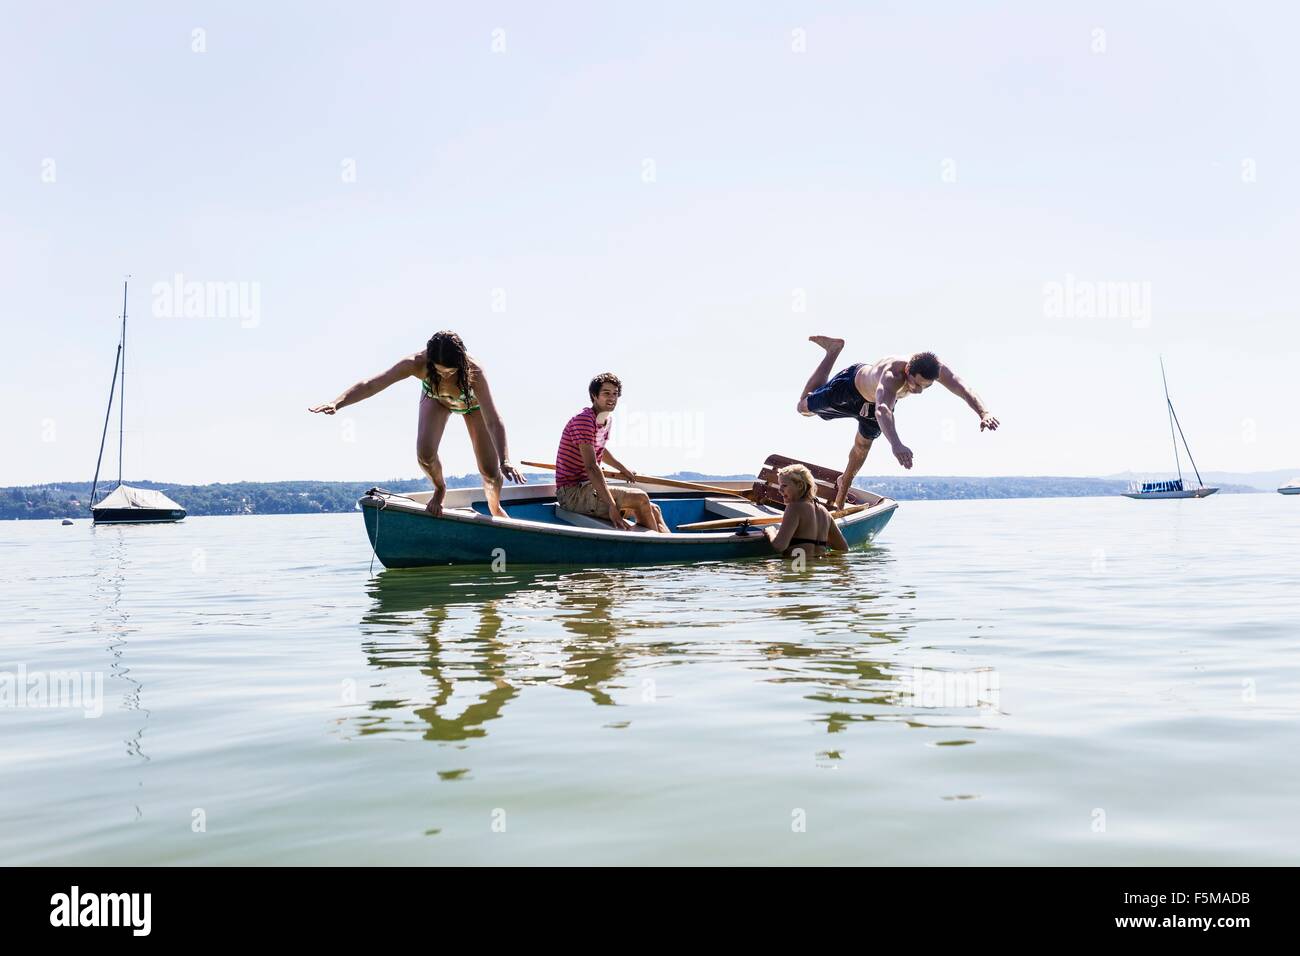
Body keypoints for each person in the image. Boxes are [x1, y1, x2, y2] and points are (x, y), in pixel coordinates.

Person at [308, 330, 524, 517]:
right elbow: (372, 384)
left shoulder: (474, 371)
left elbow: (493, 420)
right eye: (439, 370)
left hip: (472, 407)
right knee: (425, 455)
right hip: (436, 400)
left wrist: (505, 459)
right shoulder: (416, 363)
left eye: (450, 372)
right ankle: (440, 489)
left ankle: (495, 508)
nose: (444, 375)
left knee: (489, 471)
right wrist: (337, 402)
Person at [796, 335, 999, 507]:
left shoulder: (937, 370)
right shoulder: (892, 374)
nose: (918, 391)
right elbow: (883, 409)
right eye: (916, 384)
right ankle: (833, 351)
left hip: (873, 405)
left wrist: (984, 413)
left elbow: (964, 389)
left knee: (862, 446)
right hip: (850, 389)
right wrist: (896, 444)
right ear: (908, 369)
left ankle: (840, 499)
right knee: (803, 408)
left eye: (926, 387)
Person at [555, 373, 669, 533]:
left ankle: (673, 548)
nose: (612, 398)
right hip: (572, 493)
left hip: (588, 487)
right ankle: (657, 550)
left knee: (654, 509)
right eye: (606, 393)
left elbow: (599, 448)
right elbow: (592, 467)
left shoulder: (604, 419)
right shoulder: (584, 420)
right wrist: (611, 505)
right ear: (594, 396)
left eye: (615, 394)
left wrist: (622, 468)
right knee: (641, 498)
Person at [764, 463, 848, 558]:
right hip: (817, 569)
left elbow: (779, 546)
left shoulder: (794, 507)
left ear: (800, 485)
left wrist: (771, 531)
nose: (780, 490)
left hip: (795, 569)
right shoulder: (824, 512)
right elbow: (843, 548)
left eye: (784, 486)